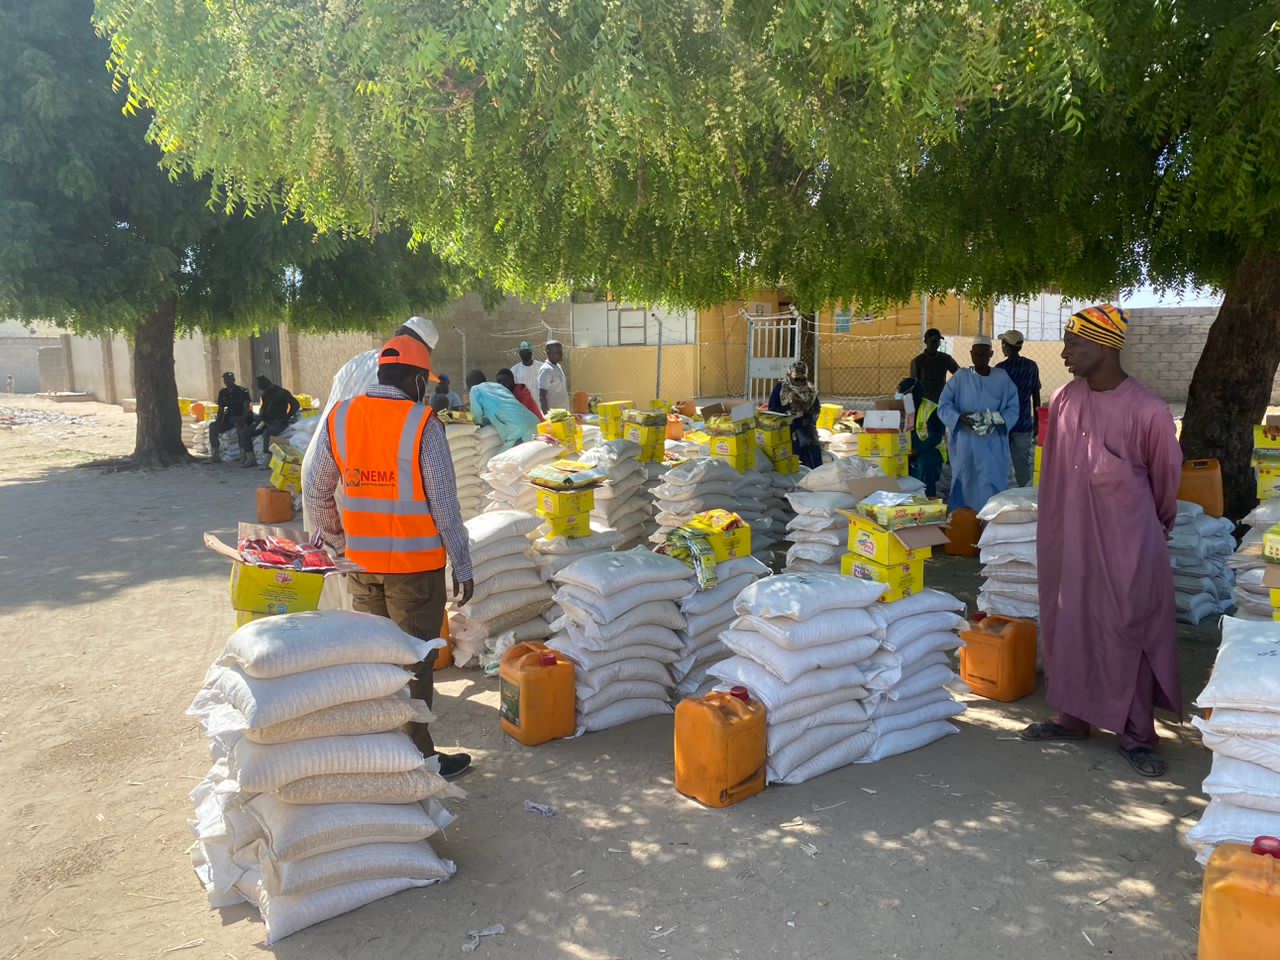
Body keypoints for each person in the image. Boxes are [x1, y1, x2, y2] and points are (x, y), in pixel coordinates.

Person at [1020, 304, 1182, 779]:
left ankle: (1136, 735)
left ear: (1107, 345)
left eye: (1076, 343)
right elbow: (1053, 472)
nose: (1066, 352)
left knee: (1126, 627)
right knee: (1070, 620)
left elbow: (1165, 485)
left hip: (1128, 541)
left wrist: (1141, 531)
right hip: (1068, 535)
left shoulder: (1148, 411)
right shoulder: (1065, 400)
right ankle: (1072, 717)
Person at [303, 333, 474, 779]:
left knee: (376, 664)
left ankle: (381, 754)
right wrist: (463, 562)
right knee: (412, 667)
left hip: (362, 569)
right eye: (426, 380)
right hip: (414, 572)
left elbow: (315, 489)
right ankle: (416, 765)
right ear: (416, 379)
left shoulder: (341, 418)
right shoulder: (422, 424)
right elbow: (445, 505)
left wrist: (341, 543)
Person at [301, 316, 441, 530]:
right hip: (352, 478)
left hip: (318, 464)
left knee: (324, 553)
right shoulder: (403, 374)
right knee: (358, 555)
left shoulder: (357, 361)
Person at [937, 336, 1020, 513]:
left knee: (992, 482)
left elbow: (1013, 407)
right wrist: (959, 418)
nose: (980, 358)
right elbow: (943, 405)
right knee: (965, 482)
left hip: (993, 444)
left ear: (991, 354)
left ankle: (991, 525)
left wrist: (998, 420)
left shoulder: (1002, 378)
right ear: (971, 354)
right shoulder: (961, 377)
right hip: (967, 444)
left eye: (984, 354)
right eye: (977, 354)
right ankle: (963, 525)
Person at [996, 330, 1042, 487]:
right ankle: (1024, 494)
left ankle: (999, 493)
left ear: (1006, 346)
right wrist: (1037, 422)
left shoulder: (1000, 369)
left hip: (1003, 423)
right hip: (1023, 422)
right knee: (1022, 464)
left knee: (1000, 463)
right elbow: (1036, 395)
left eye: (1003, 344)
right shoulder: (1031, 366)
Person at [466, 369, 540, 450]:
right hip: (534, 423)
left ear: (469, 386)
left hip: (517, 431)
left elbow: (476, 415)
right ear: (485, 379)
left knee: (499, 461)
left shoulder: (475, 390)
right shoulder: (498, 386)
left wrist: (479, 423)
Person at [768, 361, 823, 469]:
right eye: (796, 379)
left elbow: (816, 410)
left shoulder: (810, 390)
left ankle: (814, 470)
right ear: (789, 376)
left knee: (811, 446)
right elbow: (772, 408)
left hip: (804, 425)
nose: (799, 382)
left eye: (802, 379)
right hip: (785, 425)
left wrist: (807, 418)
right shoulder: (781, 389)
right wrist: (786, 412)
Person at [898, 376, 945, 498]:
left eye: (903, 395)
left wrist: (916, 451)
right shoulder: (910, 410)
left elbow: (935, 438)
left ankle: (929, 498)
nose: (901, 399)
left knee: (925, 464)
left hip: (932, 450)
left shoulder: (930, 409)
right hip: (913, 450)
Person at [210, 372, 255, 467]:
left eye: (229, 379)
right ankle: (215, 453)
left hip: (240, 417)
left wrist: (243, 418)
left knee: (241, 430)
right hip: (228, 418)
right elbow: (221, 408)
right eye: (225, 380)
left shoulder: (243, 391)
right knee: (213, 426)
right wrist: (219, 420)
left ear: (233, 380)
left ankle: (243, 455)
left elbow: (246, 407)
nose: (227, 382)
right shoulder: (223, 392)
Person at [909, 328, 960, 403]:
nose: (936, 344)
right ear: (925, 342)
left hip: (942, 399)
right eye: (933, 341)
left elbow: (959, 374)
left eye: (938, 341)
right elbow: (913, 385)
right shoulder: (917, 361)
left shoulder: (945, 359)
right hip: (924, 401)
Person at [254, 375, 301, 450]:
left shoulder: (281, 392)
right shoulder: (265, 394)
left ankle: (269, 457)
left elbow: (296, 405)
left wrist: (287, 416)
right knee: (249, 431)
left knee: (267, 434)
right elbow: (263, 408)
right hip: (267, 421)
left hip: (279, 422)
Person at [538, 340, 571, 414]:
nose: (561, 354)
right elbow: (542, 396)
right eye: (557, 352)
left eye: (561, 351)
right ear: (548, 353)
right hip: (554, 417)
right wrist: (547, 416)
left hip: (564, 413)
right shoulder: (546, 370)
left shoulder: (558, 366)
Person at [511, 340, 542, 416]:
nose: (524, 354)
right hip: (524, 408)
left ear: (531, 352)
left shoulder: (541, 367)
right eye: (522, 352)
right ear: (520, 354)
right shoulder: (514, 370)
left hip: (540, 407)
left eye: (527, 352)